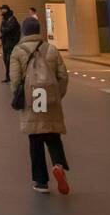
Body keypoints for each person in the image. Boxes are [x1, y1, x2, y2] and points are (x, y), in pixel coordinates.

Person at [10, 15, 71, 195]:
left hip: (32, 99)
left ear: (24, 31)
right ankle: (58, 165)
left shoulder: (18, 51)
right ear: (38, 31)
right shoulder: (51, 49)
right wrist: (56, 95)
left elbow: (15, 80)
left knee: (35, 140)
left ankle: (41, 182)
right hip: (49, 97)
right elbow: (63, 76)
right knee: (53, 135)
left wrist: (21, 97)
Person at [0, 5, 21, 82]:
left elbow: (9, 29)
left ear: (6, 10)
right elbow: (2, 29)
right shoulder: (4, 20)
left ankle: (14, 77)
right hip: (5, 43)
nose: (1, 12)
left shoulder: (12, 19)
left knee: (10, 61)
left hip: (11, 43)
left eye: (2, 10)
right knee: (5, 60)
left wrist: (4, 30)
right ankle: (8, 77)